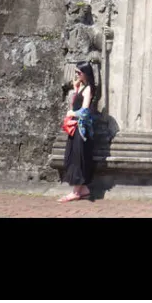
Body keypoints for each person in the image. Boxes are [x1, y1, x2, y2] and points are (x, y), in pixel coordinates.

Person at [59, 62, 95, 202]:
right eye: (76, 72)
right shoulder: (82, 87)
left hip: (81, 130)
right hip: (75, 127)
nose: (77, 75)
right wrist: (75, 89)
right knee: (74, 156)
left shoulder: (88, 89)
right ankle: (84, 189)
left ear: (86, 73)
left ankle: (76, 192)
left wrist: (72, 113)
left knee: (77, 159)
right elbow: (75, 104)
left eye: (79, 72)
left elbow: (85, 111)